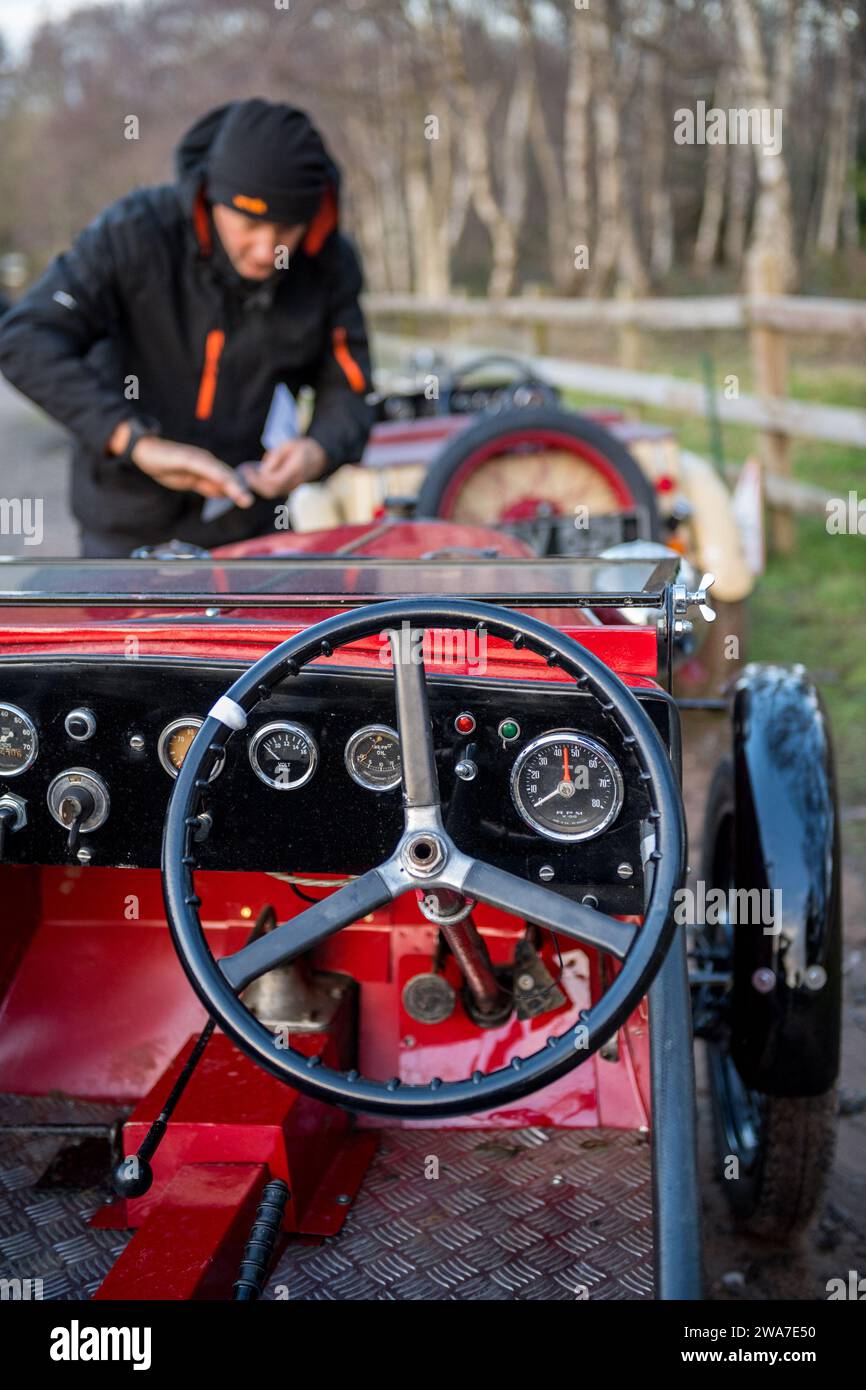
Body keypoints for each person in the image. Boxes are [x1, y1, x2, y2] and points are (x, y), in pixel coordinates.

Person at [0, 98, 374, 556]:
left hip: (250, 523)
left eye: (286, 230)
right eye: (250, 223)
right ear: (211, 197)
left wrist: (317, 450)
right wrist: (132, 440)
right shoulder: (136, 232)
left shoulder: (330, 265)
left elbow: (350, 389)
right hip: (123, 523)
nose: (265, 250)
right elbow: (25, 339)